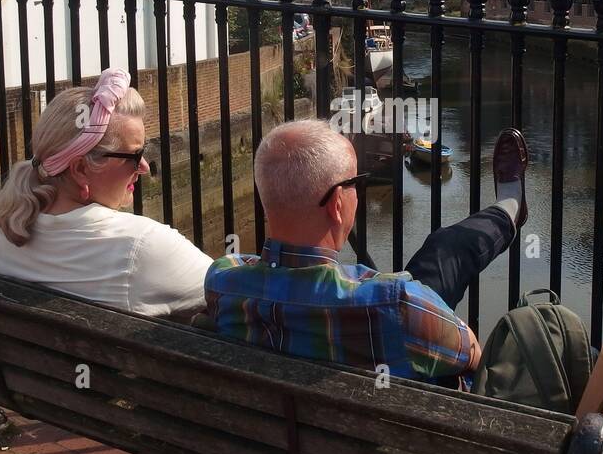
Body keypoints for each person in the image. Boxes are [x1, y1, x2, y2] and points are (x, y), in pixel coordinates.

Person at [204, 119, 528, 389]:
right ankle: (508, 210)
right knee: (443, 259)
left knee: (442, 250)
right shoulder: (399, 304)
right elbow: (471, 355)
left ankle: (506, 212)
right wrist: (408, 298)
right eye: (356, 184)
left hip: (280, 452)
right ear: (336, 205)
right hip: (399, 450)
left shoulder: (222, 281)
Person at [0, 67, 213, 319]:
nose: (144, 166)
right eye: (135, 155)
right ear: (81, 169)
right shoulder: (142, 246)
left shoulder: (6, 231)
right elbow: (243, 295)